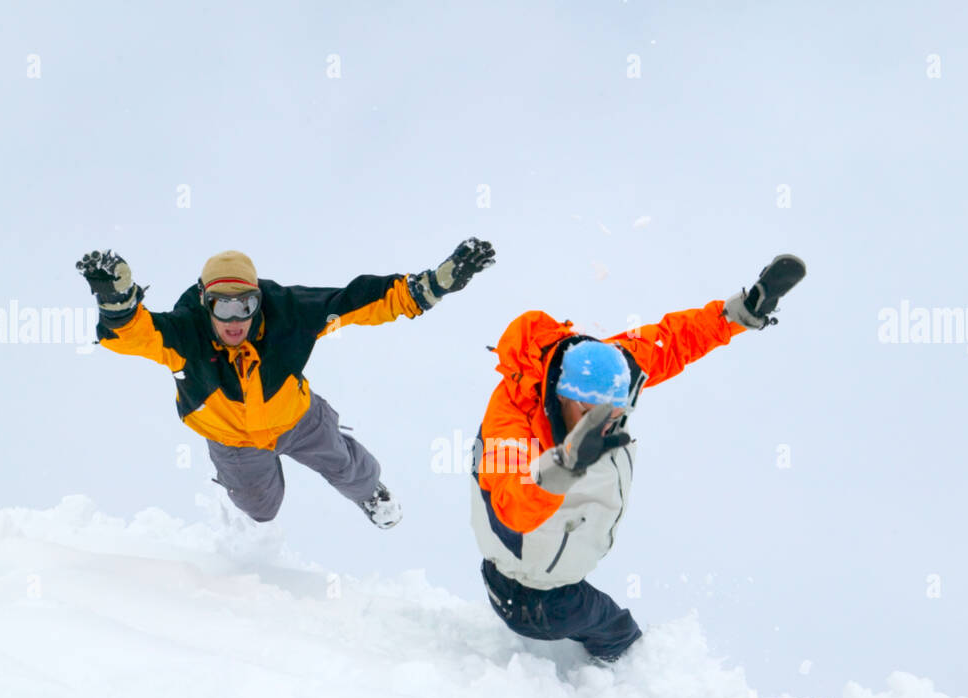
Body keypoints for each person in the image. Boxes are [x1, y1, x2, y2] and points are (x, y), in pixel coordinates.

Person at [471, 254, 805, 662]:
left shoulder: (599, 367)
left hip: (553, 576)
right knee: (625, 643)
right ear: (562, 396)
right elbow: (512, 504)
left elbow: (670, 341)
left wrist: (740, 312)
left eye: (618, 409)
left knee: (609, 629)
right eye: (593, 412)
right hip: (530, 599)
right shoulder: (510, 422)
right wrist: (564, 465)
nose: (609, 422)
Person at [76, 240, 494, 528]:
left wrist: (432, 286)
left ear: (259, 300)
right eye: (223, 306)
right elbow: (133, 335)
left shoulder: (289, 315)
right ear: (206, 303)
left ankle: (372, 493)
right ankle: (244, 522)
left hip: (296, 418)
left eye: (246, 305)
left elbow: (360, 302)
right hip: (234, 440)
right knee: (261, 510)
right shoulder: (184, 334)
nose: (234, 319)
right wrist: (117, 304)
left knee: (348, 468)